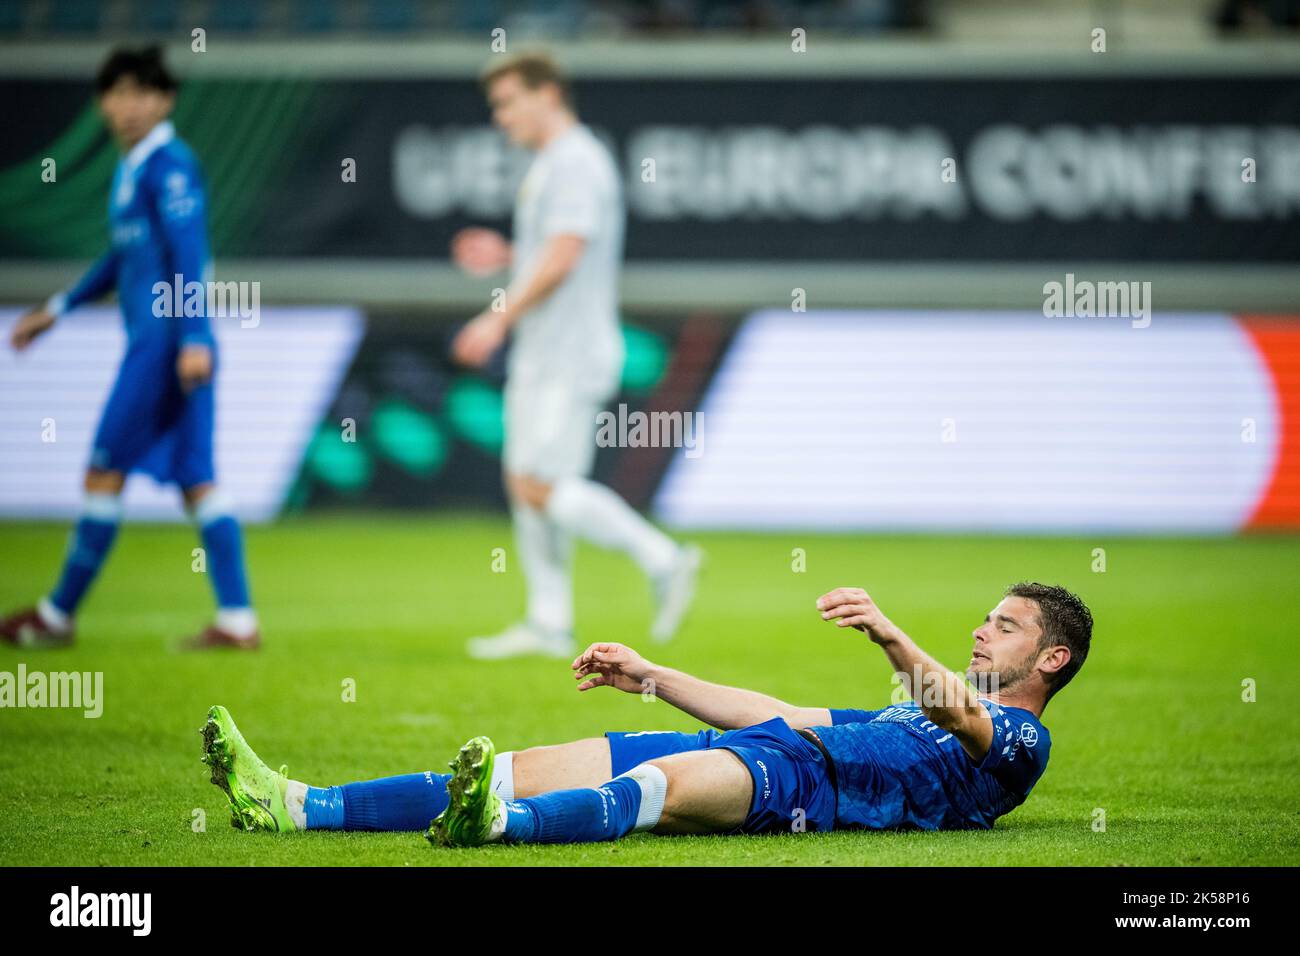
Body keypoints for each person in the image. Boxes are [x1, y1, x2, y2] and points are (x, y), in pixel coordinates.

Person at [200, 582, 1090, 846]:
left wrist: (894, 637)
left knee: (653, 787)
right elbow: (778, 707)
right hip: (777, 743)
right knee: (521, 760)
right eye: (985, 617)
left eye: (1003, 626)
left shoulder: (1021, 740)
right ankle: (297, 803)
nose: (981, 630)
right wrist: (654, 676)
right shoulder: (916, 711)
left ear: (1050, 660)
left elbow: (968, 722)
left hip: (800, 785)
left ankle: (498, 830)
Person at [1, 46, 258, 651]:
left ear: (165, 100)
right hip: (171, 344)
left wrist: (192, 335)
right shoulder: (136, 166)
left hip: (163, 347)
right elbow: (123, 257)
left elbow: (188, 254)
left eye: (142, 93)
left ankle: (57, 616)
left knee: (103, 469)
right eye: (117, 94)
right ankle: (238, 621)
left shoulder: (168, 164)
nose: (129, 106)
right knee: (198, 480)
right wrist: (58, 309)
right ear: (101, 103)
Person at [449, 50, 700, 660]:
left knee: (539, 483)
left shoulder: (576, 162)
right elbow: (556, 250)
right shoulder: (555, 164)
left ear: (547, 95)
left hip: (567, 353)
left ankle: (663, 557)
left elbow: (564, 257)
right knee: (525, 481)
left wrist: (496, 317)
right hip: (547, 352)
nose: (501, 117)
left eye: (508, 102)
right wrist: (509, 254)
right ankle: (548, 621)